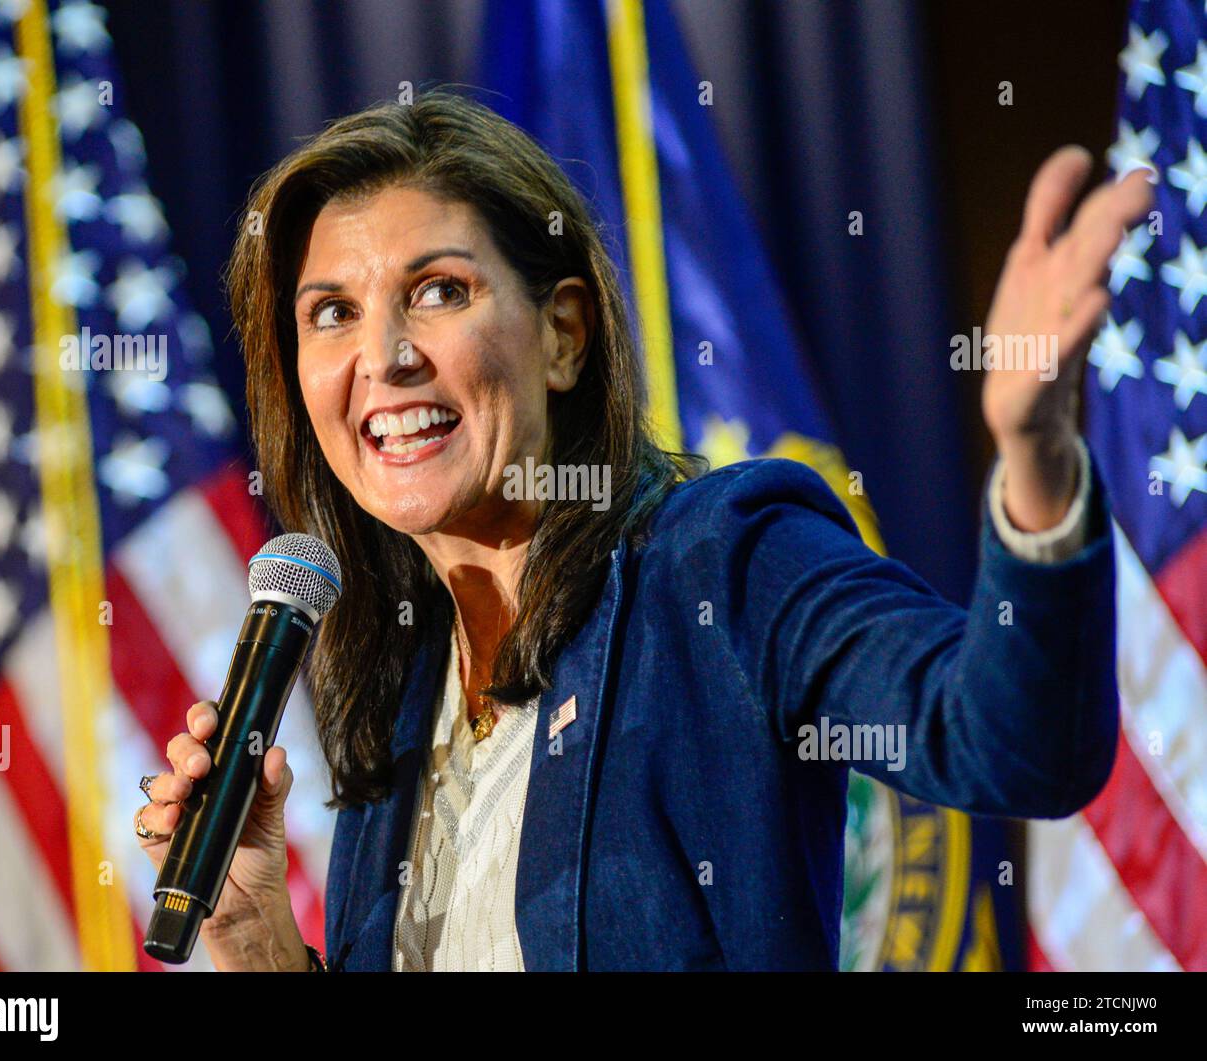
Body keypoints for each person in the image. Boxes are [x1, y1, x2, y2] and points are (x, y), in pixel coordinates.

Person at [133, 90, 1152, 971]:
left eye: (439, 291)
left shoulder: (720, 558)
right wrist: (262, 938)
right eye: (331, 312)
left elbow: (1013, 744)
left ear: (564, 336)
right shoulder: (397, 703)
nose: (384, 355)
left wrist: (1038, 462)